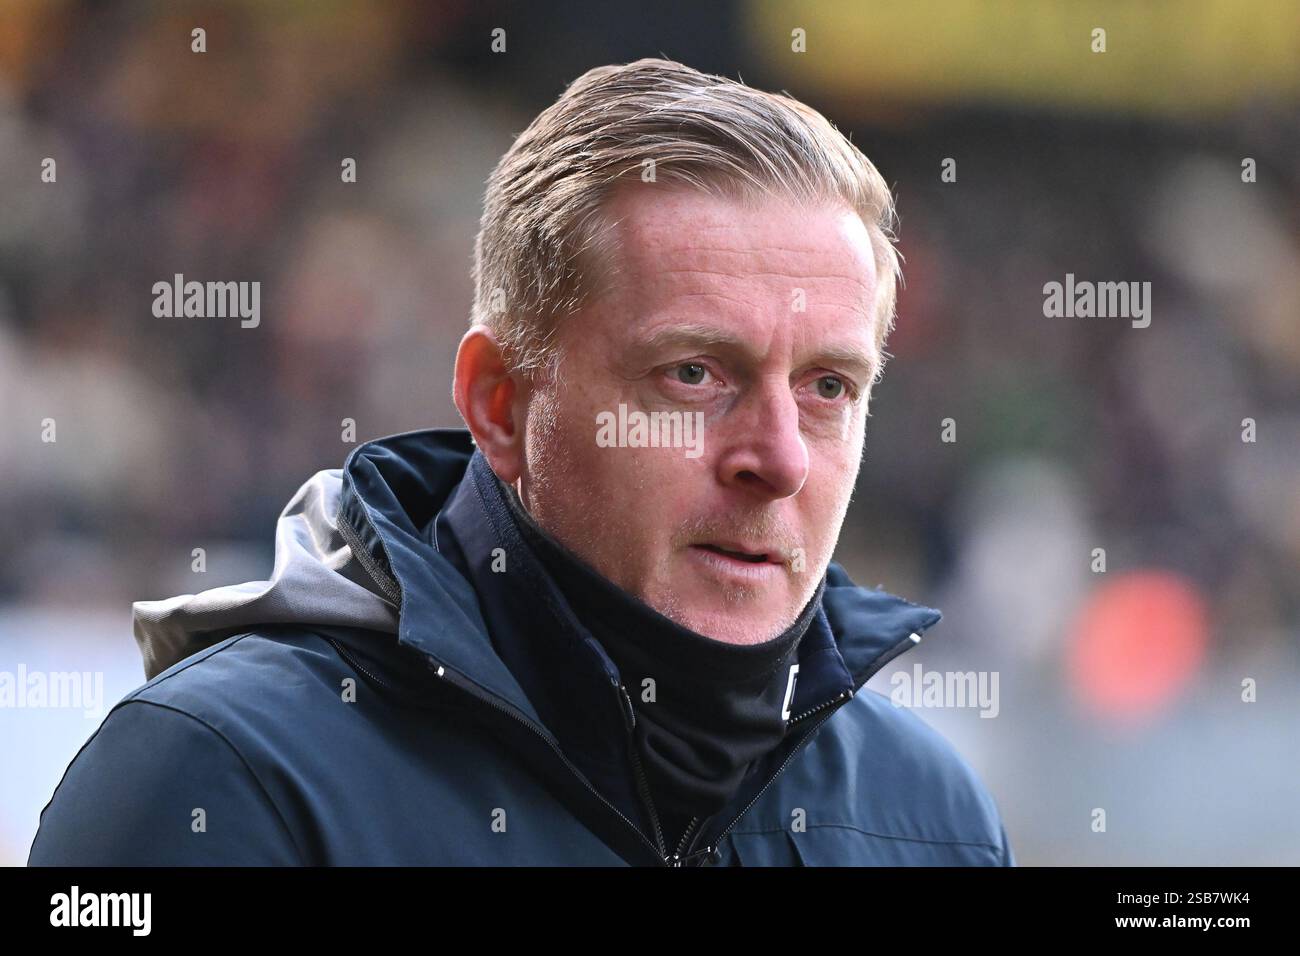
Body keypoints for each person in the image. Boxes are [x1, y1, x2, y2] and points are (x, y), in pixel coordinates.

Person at [29, 58, 1013, 866]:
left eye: (828, 386)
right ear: (501, 404)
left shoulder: (928, 816)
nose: (781, 459)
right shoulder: (223, 778)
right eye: (694, 372)